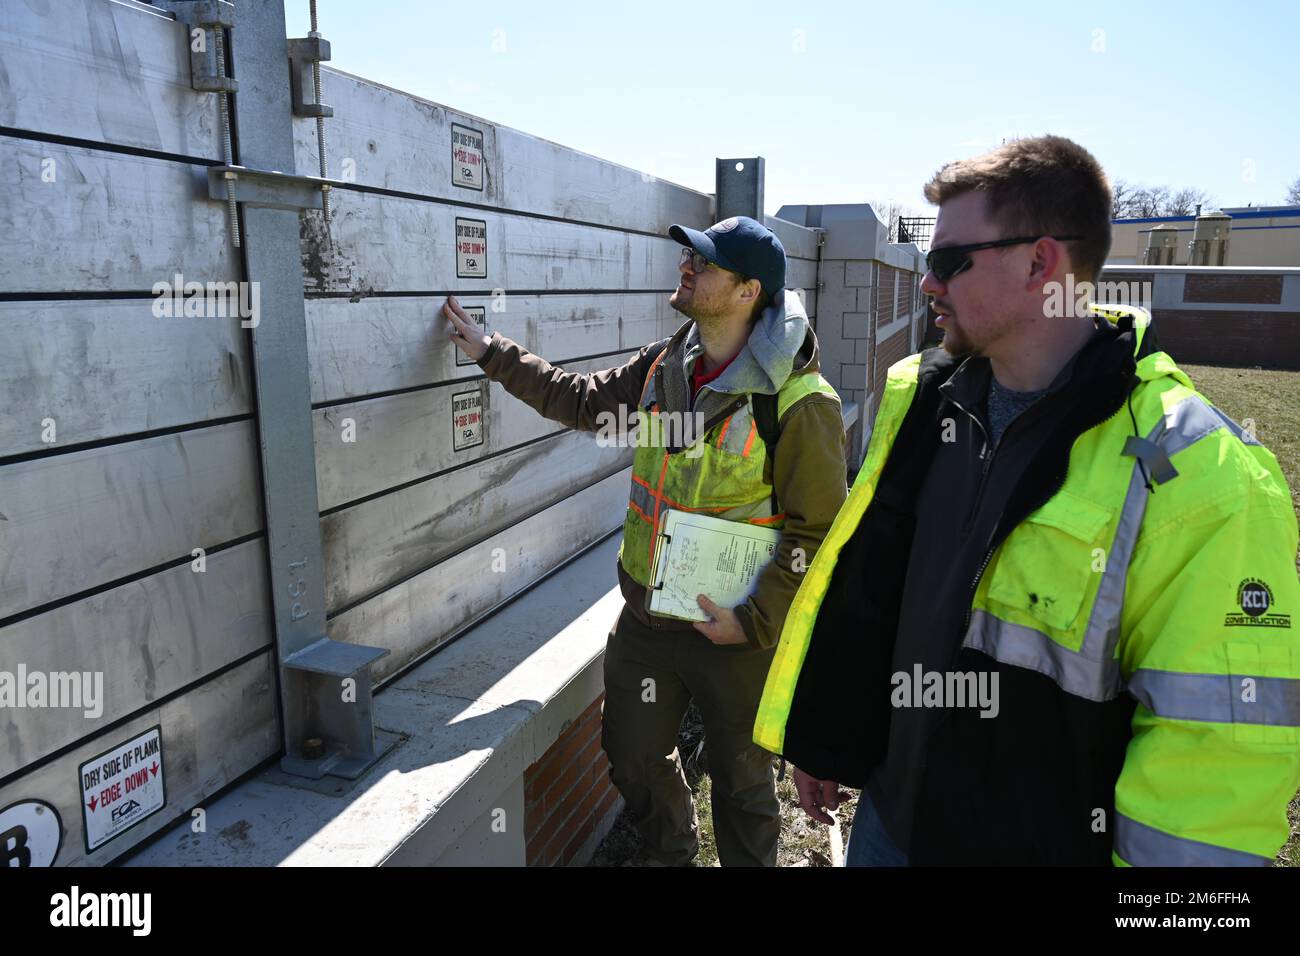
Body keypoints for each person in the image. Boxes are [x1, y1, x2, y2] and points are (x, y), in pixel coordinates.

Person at [755, 135, 1300, 866]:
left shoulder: (1198, 472)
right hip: (892, 818)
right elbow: (882, 591)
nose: (927, 283)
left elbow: (1216, 755)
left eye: (949, 261)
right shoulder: (923, 400)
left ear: (1041, 263)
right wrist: (832, 735)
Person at [441, 215, 847, 865]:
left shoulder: (800, 403)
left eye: (704, 264)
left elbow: (817, 533)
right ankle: (673, 853)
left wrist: (753, 618)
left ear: (748, 292)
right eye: (687, 256)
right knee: (630, 755)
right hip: (648, 619)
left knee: (743, 784)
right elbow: (580, 401)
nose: (685, 268)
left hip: (736, 636)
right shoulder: (665, 366)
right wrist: (492, 352)